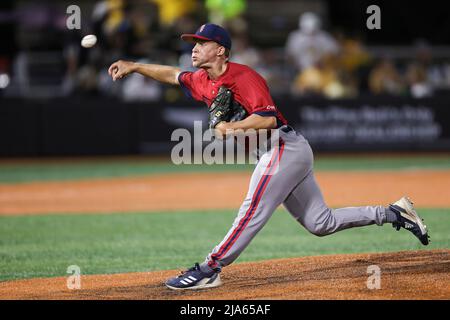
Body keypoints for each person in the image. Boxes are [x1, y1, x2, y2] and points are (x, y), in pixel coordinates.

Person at [108, 23, 430, 290]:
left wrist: (230, 129)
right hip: (285, 150)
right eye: (193, 43)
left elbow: (268, 118)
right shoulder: (204, 80)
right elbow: (171, 75)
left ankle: (210, 268)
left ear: (220, 50)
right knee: (321, 223)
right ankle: (394, 213)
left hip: (282, 147)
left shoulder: (243, 77)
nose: (193, 48)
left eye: (201, 43)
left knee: (252, 210)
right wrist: (135, 66)